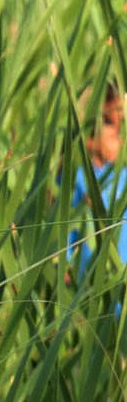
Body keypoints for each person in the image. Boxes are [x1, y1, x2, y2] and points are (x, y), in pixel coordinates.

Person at [70, 85, 125, 273]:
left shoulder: (123, 175)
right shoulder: (78, 177)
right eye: (108, 123)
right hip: (88, 272)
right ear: (89, 137)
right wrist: (66, 263)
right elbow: (67, 228)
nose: (118, 135)